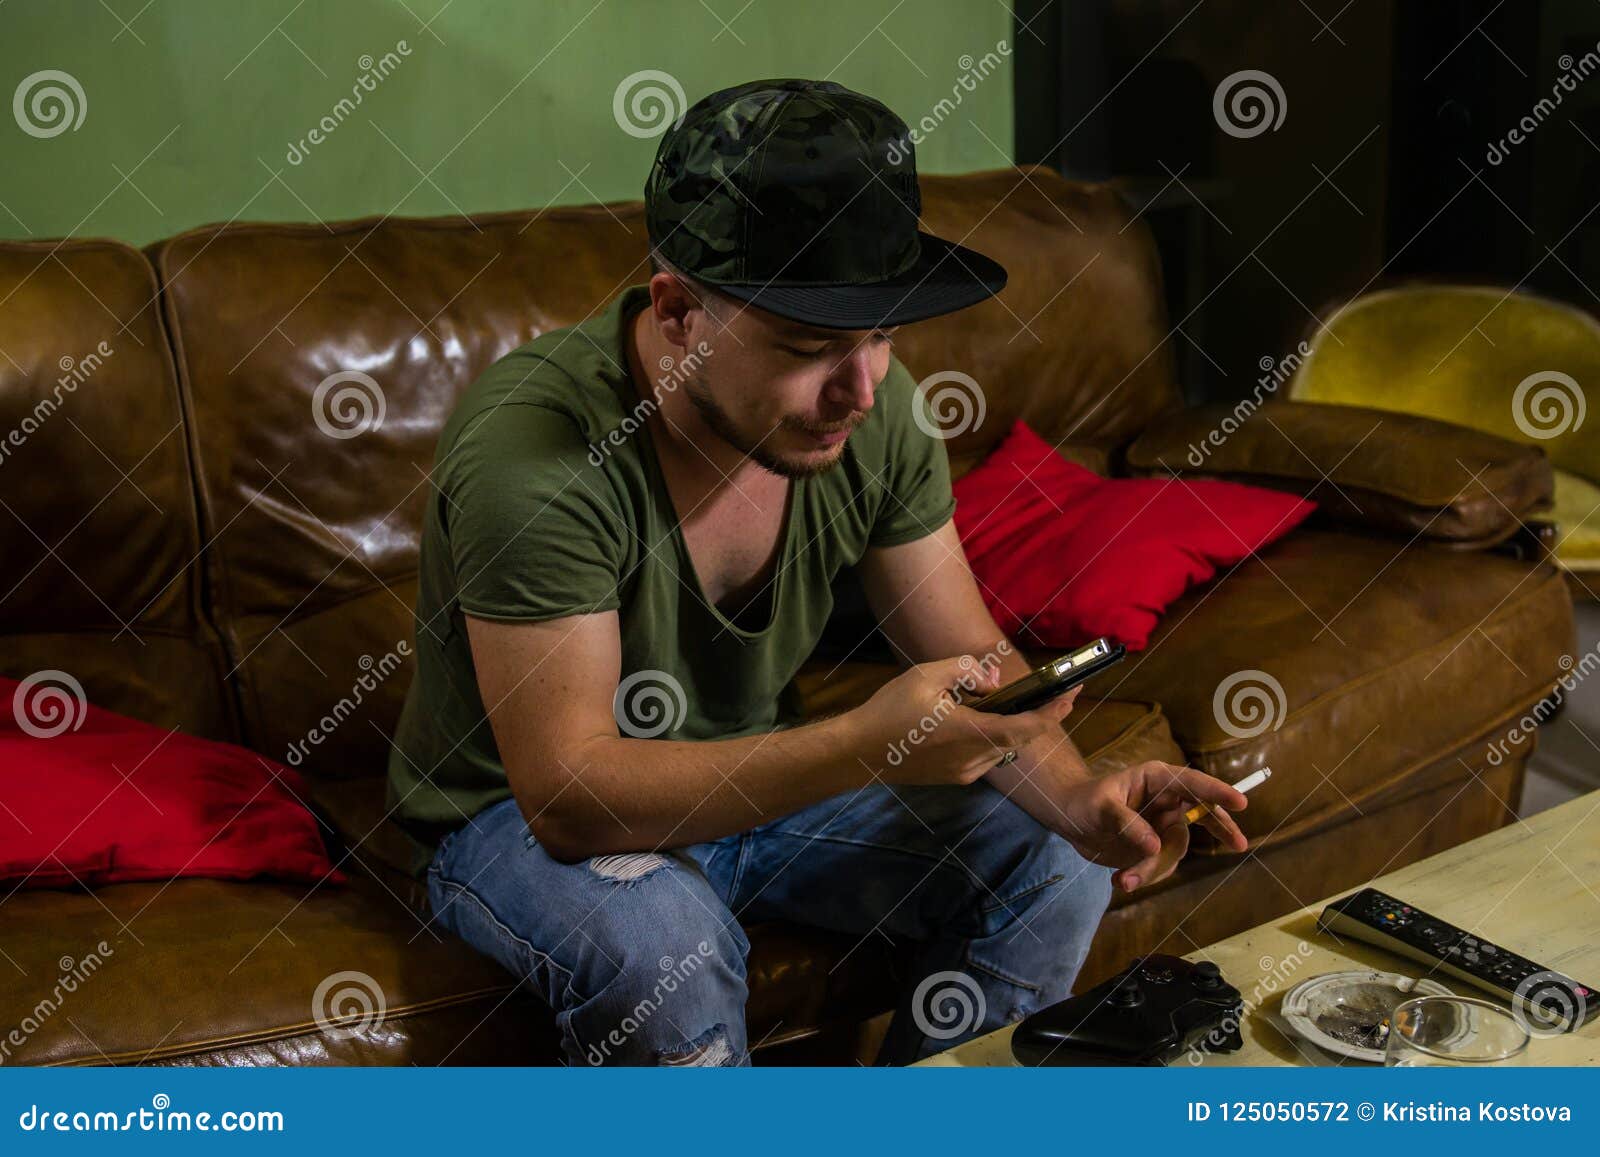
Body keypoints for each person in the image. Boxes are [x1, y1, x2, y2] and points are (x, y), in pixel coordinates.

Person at [386, 78, 1248, 1066]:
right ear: (676, 312)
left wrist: (1080, 800)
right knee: (663, 940)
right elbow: (570, 795)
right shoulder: (534, 455)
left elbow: (969, 653)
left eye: (882, 334)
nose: (862, 388)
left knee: (1054, 859)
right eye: (809, 347)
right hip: (509, 818)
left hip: (753, 781)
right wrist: (868, 743)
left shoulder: (874, 413)